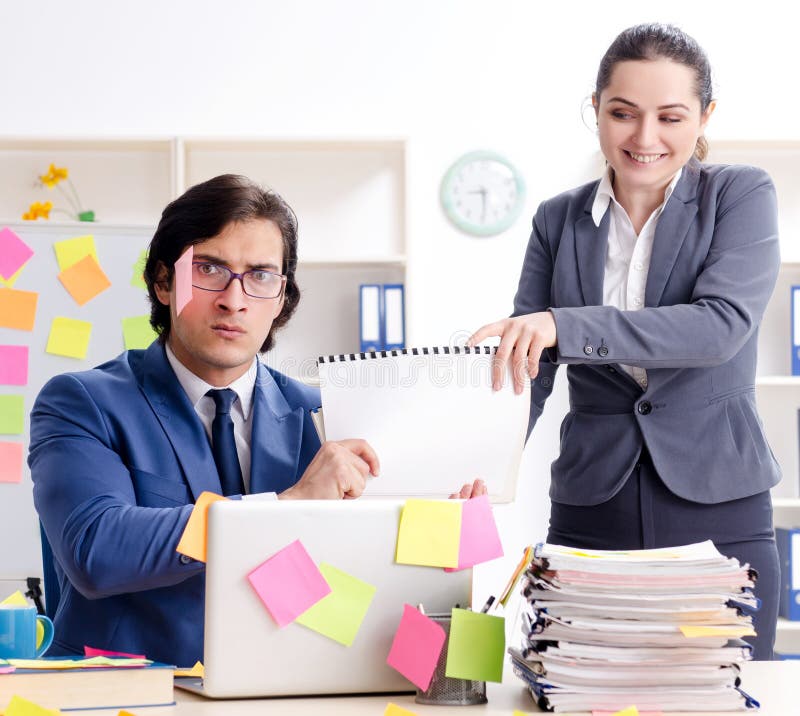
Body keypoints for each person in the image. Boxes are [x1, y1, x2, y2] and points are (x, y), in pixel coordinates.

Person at [29, 174, 484, 665]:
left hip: (275, 686)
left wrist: (440, 552)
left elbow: (320, 589)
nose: (234, 299)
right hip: (124, 691)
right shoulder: (82, 402)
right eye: (209, 269)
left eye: (261, 276)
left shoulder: (322, 417)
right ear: (163, 282)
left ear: (282, 298)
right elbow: (97, 552)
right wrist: (282, 506)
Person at [468, 24, 780, 660]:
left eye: (670, 117)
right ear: (596, 110)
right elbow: (532, 362)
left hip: (717, 498)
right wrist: (482, 463)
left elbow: (718, 326)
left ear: (705, 116)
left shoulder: (739, 195)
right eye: (622, 113)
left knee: (724, 687)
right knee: (582, 683)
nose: (644, 138)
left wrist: (566, 323)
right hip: (593, 501)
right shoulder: (558, 218)